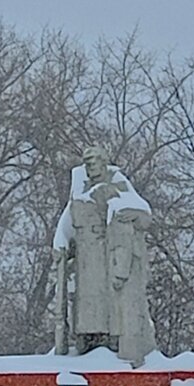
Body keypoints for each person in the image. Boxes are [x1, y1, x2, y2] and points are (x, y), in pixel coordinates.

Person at [53, 146, 156, 364]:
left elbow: (144, 214)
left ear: (103, 161)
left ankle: (111, 341)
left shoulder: (117, 180)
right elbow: (67, 219)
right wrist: (60, 241)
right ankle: (87, 340)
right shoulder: (79, 185)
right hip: (84, 254)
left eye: (93, 161)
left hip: (106, 253)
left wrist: (134, 215)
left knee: (108, 304)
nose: (89, 166)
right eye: (86, 162)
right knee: (86, 304)